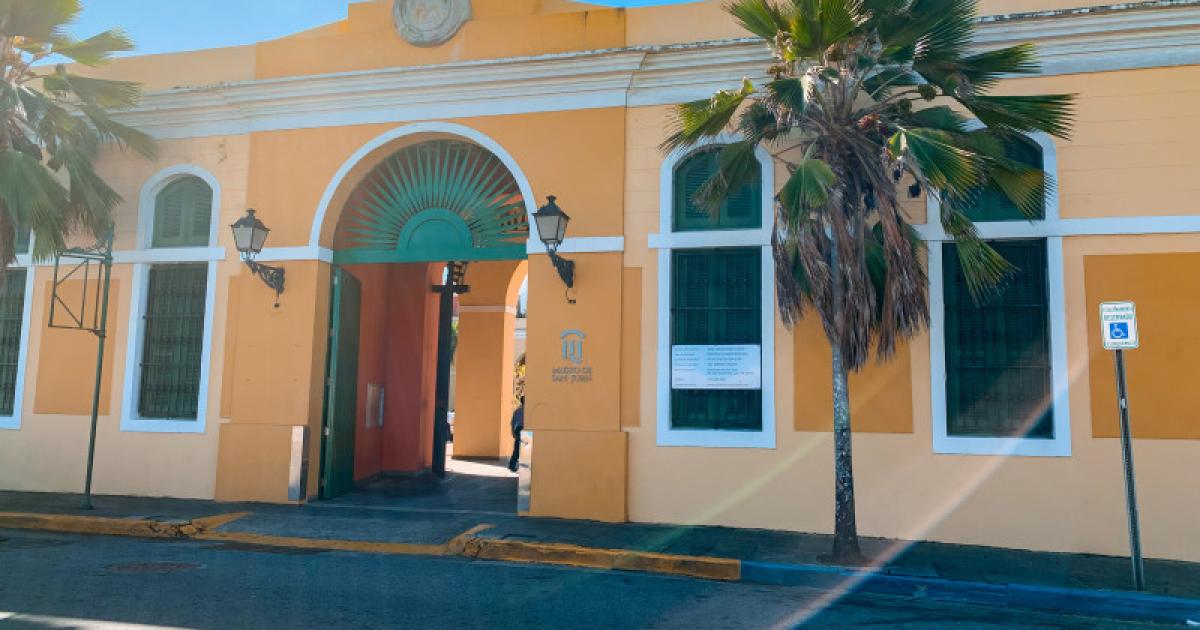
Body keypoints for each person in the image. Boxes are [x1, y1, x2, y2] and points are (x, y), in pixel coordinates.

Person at [508, 395, 525, 472]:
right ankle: (522, 466)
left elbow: (512, 423)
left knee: (517, 448)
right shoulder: (527, 410)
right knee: (525, 449)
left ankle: (512, 465)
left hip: (518, 429)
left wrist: (513, 432)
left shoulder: (517, 411)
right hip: (524, 429)